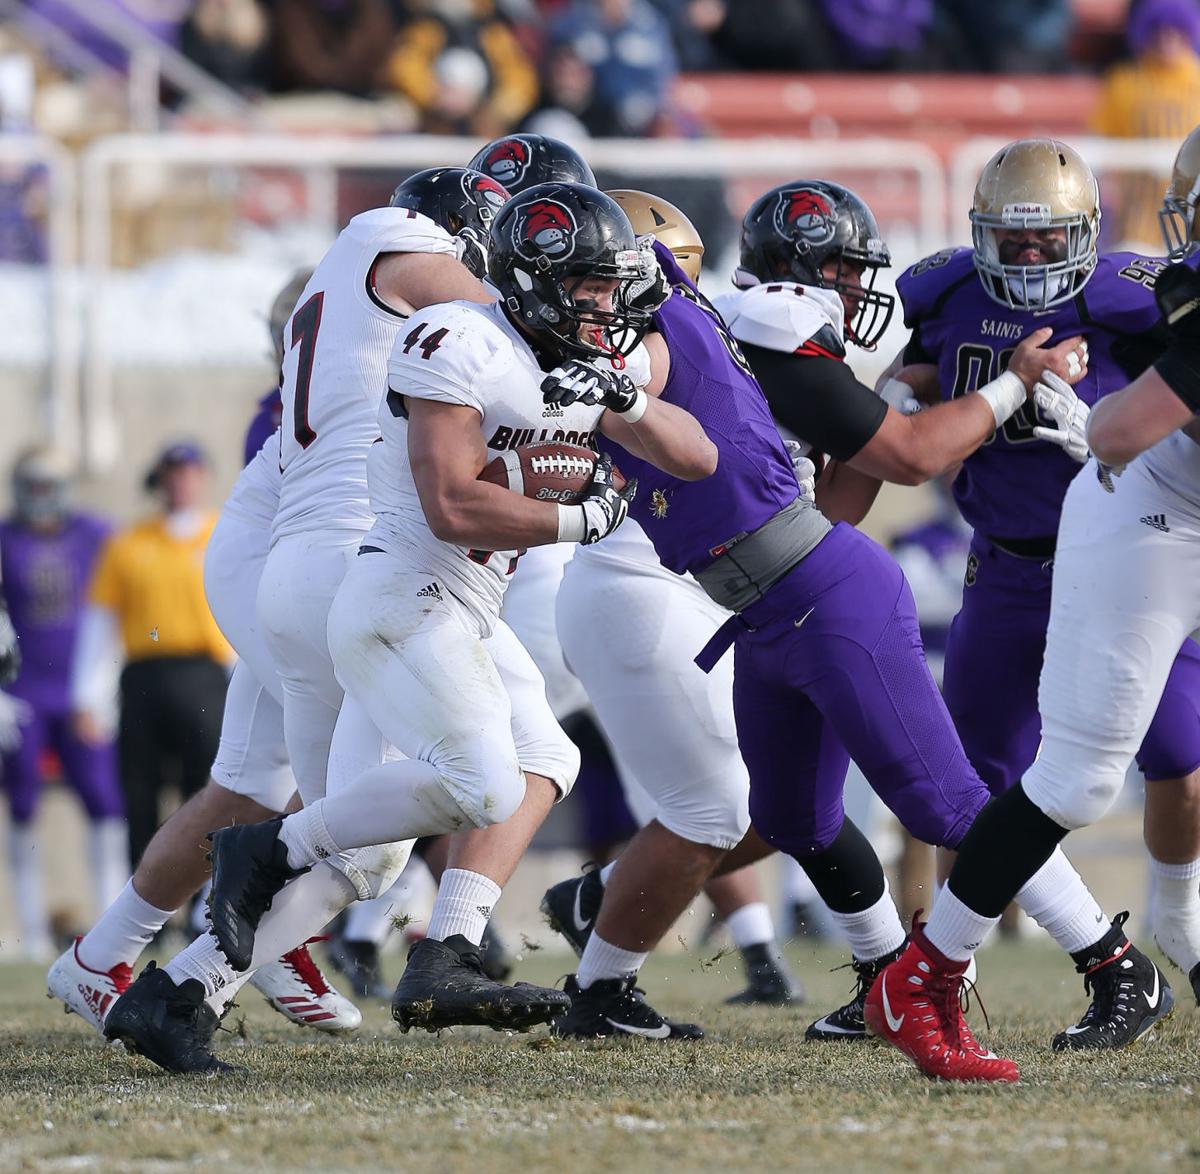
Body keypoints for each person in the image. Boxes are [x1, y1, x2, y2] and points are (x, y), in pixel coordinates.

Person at [176, 183, 712, 1074]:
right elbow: (455, 502)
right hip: (391, 587)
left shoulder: (563, 348)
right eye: (586, 286)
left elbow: (698, 453)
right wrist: (581, 518)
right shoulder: (457, 331)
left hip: (418, 594)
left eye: (609, 289)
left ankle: (187, 989)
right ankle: (278, 863)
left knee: (432, 825)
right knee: (477, 792)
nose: (604, 308)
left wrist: (624, 390)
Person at [100, 166, 533, 1073]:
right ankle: (277, 902)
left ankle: (181, 993)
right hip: (368, 567)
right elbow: (500, 325)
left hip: (320, 569)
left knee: (377, 845)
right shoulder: (392, 237)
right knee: (462, 788)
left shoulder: (354, 299)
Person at [693, 175, 1100, 1045]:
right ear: (793, 272)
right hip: (769, 596)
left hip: (820, 590)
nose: (855, 288)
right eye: (839, 268)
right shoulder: (770, 326)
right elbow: (905, 465)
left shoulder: (769, 332)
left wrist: (896, 406)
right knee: (793, 816)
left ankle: (1110, 960)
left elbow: (860, 486)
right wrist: (1009, 385)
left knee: (948, 804)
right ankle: (885, 977)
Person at [866, 132, 1200, 1084]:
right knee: (971, 782)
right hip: (1011, 562)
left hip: (1144, 554)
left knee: (1178, 760)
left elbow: (1132, 418)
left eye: (1043, 240)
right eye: (1008, 243)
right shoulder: (944, 295)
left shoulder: (1139, 297)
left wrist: (1085, 418)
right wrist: (911, 389)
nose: (1026, 260)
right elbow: (924, 372)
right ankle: (1058, 966)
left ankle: (1165, 926)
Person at [48, 277, 360, 1037]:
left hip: (290, 609)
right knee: (356, 779)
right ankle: (266, 934)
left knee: (244, 793)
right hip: (293, 608)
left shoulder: (323, 396)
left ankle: (109, 953)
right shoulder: (299, 412)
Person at [544, 191, 802, 1038]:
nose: (679, 296)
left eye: (687, 276)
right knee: (709, 799)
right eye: (661, 276)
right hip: (625, 589)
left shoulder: (682, 341)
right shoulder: (615, 356)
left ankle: (601, 929)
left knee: (746, 792)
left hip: (660, 593)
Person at [70, 443, 232, 873]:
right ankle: (145, 903)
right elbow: (100, 625)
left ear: (203, 478)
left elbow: (243, 612)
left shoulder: (224, 533)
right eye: (173, 473)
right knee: (140, 792)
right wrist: (87, 697)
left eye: (190, 472)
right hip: (144, 676)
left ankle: (203, 904)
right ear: (160, 479)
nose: (181, 482)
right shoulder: (129, 543)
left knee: (205, 791)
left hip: (205, 676)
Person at [0, 449, 123, 960]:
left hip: (79, 691)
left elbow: (115, 611)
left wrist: (104, 685)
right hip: (23, 690)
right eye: (35, 484)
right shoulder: (6, 536)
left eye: (52, 484)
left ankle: (114, 925)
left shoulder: (96, 533)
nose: (43, 496)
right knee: (23, 800)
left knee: (104, 798)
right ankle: (30, 930)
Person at [1091, 0, 1200, 250]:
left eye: (1174, 30)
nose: (1166, 39)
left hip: (1191, 217)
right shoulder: (1124, 83)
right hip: (1137, 218)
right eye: (1158, 31)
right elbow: (1100, 144)